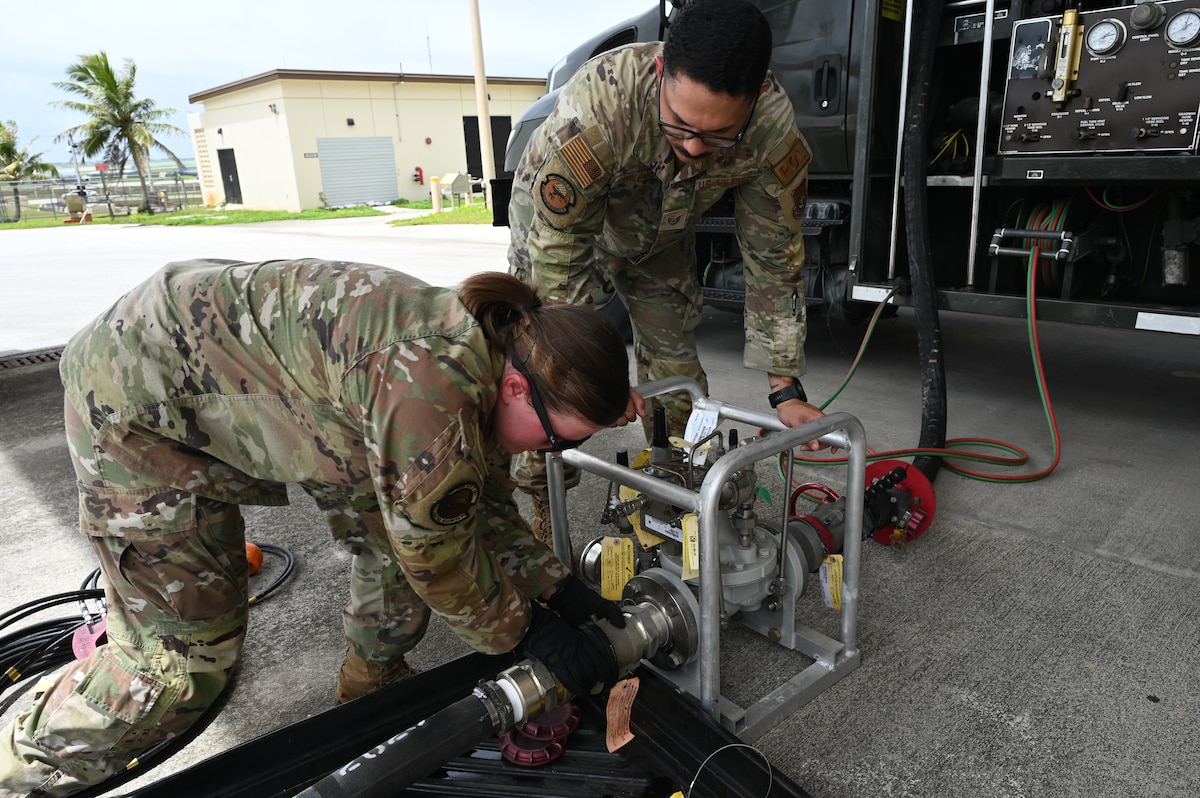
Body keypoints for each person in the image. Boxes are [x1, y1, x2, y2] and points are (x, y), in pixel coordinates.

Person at [0, 259, 629, 797]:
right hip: (137, 403)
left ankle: (369, 687)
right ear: (518, 387)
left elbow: (478, 504)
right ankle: (19, 769)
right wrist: (527, 632)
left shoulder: (490, 350)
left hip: (212, 364)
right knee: (180, 663)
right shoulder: (429, 401)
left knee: (396, 534)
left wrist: (554, 588)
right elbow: (436, 556)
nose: (545, 455)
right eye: (553, 441)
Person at [508, 0, 827, 542]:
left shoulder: (771, 131)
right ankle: (543, 498)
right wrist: (599, 380)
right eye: (679, 125)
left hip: (660, 238)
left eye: (719, 134)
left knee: (678, 375)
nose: (696, 147)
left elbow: (774, 259)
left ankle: (676, 492)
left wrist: (784, 391)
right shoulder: (600, 107)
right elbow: (560, 253)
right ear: (660, 72)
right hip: (562, 234)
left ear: (752, 102)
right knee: (551, 381)